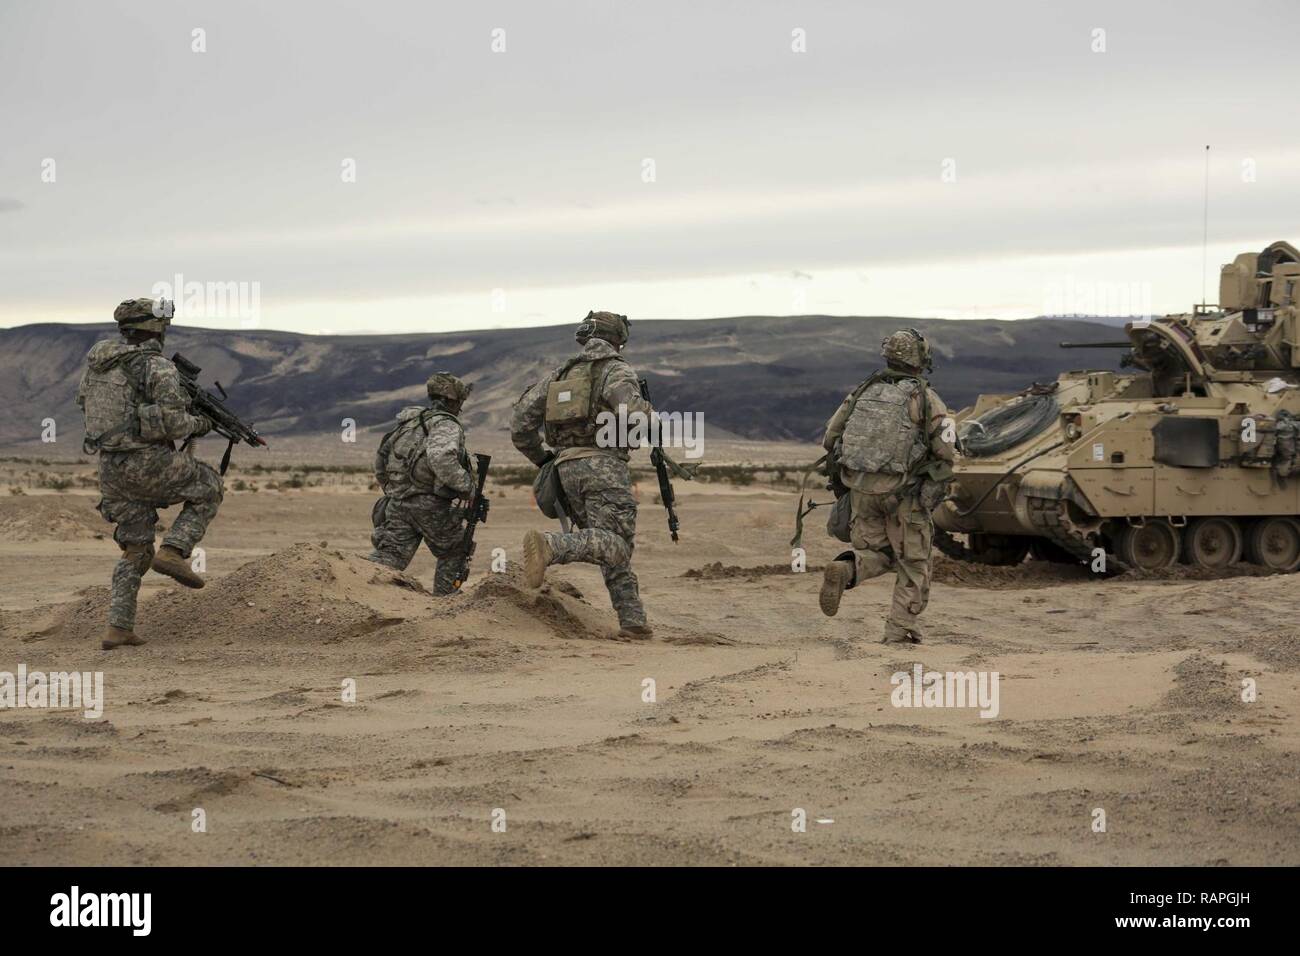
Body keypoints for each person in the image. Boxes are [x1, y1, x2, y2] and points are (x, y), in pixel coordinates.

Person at [77, 297, 223, 650]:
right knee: (209, 485)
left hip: (111, 469)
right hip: (147, 461)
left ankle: (118, 628)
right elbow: (175, 425)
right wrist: (201, 423)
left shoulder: (98, 367)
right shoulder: (157, 367)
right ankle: (174, 550)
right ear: (157, 329)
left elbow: (86, 406)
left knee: (137, 549)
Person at [510, 311, 655, 639]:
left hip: (565, 470)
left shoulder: (558, 376)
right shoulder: (616, 370)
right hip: (604, 467)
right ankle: (551, 546)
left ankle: (633, 621)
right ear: (618, 339)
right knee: (616, 543)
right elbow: (636, 418)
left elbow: (520, 424)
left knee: (604, 541)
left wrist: (544, 460)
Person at [817, 329, 955, 643]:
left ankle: (847, 570)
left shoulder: (862, 392)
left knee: (877, 553)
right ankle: (899, 630)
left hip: (861, 491)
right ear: (921, 358)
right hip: (904, 495)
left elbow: (830, 437)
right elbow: (945, 450)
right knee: (913, 562)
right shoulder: (926, 398)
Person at [367, 372, 480, 594]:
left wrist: (392, 490)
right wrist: (468, 487)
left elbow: (380, 460)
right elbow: (442, 459)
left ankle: (358, 590)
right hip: (431, 505)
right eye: (460, 401)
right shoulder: (445, 424)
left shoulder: (410, 423)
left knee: (391, 555)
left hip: (397, 503)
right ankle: (446, 603)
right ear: (452, 400)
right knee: (455, 549)